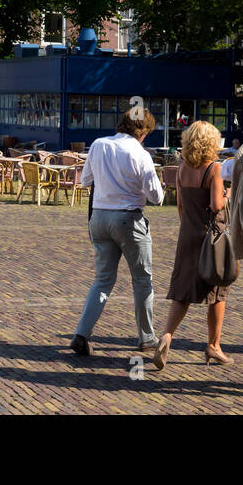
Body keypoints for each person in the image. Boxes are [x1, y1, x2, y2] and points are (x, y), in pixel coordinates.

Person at [70, 108, 165, 357]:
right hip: (128, 219)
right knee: (142, 280)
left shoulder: (99, 144)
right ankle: (146, 337)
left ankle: (82, 333)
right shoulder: (139, 153)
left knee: (102, 280)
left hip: (99, 217)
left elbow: (85, 181)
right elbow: (157, 196)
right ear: (143, 132)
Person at [153, 120, 232, 371]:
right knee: (218, 290)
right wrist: (229, 194)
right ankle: (214, 345)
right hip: (211, 238)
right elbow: (217, 205)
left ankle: (166, 335)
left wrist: (188, 227)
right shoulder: (215, 169)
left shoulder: (181, 169)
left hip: (187, 234)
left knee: (183, 292)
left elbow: (180, 207)